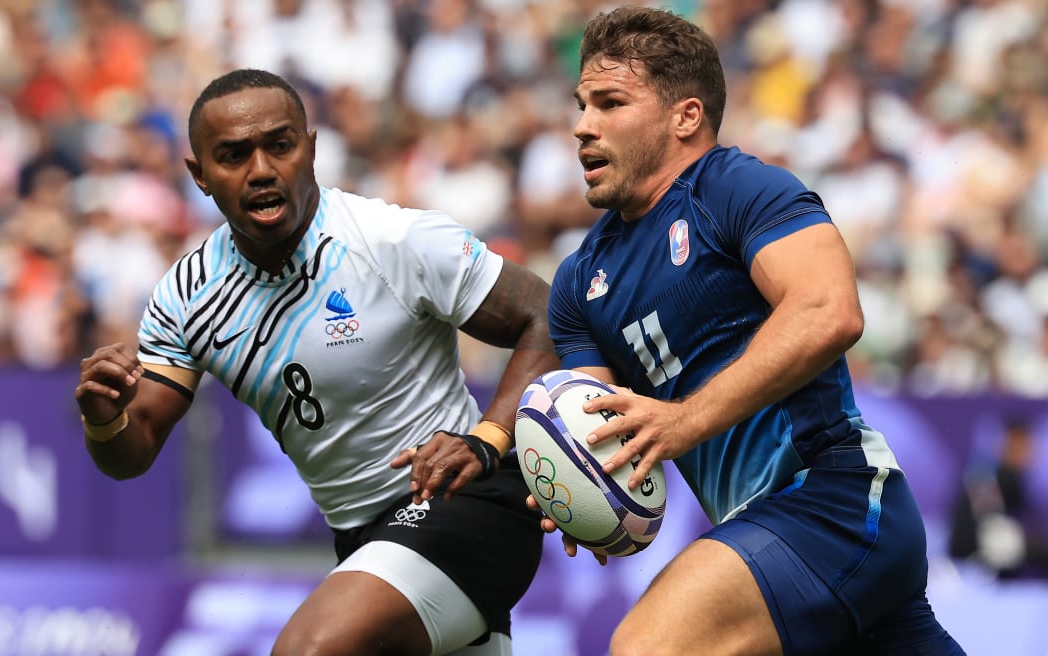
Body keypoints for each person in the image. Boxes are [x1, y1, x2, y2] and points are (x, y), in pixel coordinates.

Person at [74, 68, 560, 656]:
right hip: (364, 543)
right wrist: (105, 417)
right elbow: (134, 445)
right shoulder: (187, 295)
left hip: (468, 502)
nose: (260, 170)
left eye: (278, 145)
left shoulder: (390, 240)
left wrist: (487, 437)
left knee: (309, 650)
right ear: (199, 176)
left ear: (310, 149)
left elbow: (546, 316)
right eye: (233, 156)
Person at [535, 6, 966, 656]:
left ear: (686, 116)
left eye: (609, 103)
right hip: (768, 534)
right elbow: (591, 428)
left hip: (835, 501)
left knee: (647, 647)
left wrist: (683, 421)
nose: (582, 126)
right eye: (581, 104)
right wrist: (575, 487)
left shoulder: (737, 189)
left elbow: (830, 312)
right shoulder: (579, 282)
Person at [948, 416, 1048, 581]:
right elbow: (993, 537)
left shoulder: (1015, 481)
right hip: (974, 566)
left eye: (1027, 446)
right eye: (1018, 446)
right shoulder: (988, 477)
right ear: (1005, 445)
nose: (1025, 452)